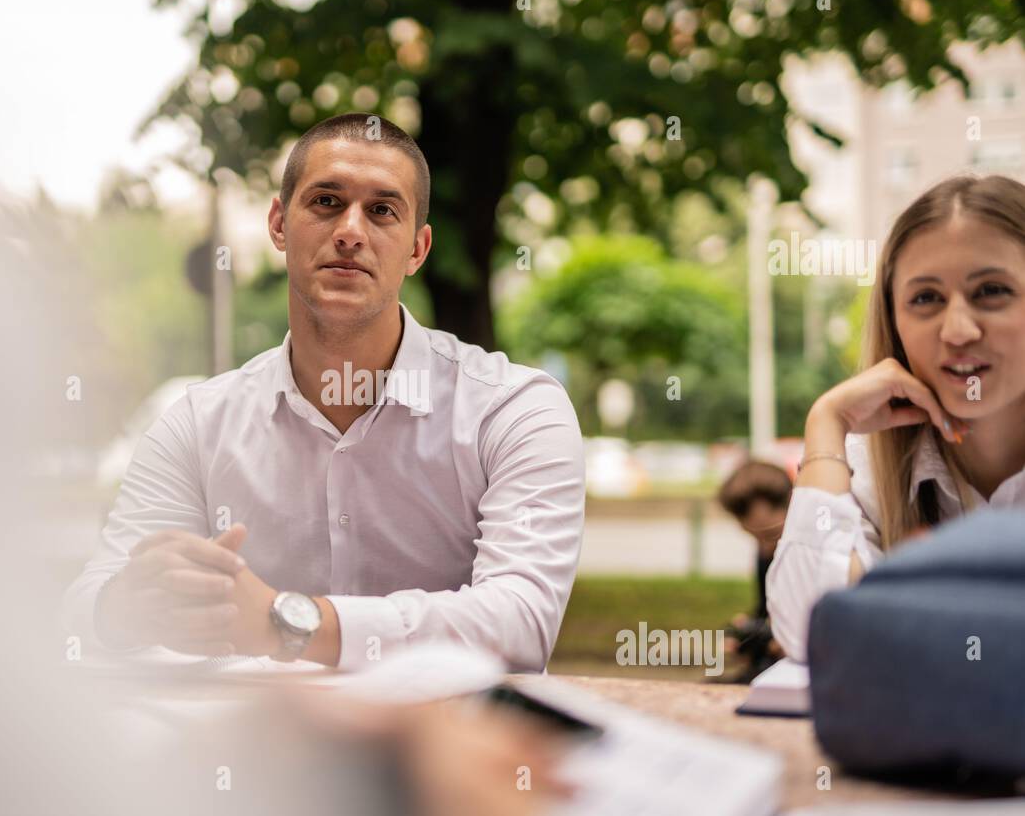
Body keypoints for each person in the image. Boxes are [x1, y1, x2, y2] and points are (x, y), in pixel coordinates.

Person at [64, 112, 586, 672]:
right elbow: (81, 614)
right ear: (279, 224)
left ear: (417, 249)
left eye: (383, 210)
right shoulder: (195, 423)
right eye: (326, 202)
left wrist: (285, 622)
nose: (351, 231)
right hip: (258, 749)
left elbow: (521, 622)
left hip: (448, 750)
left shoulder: (514, 410)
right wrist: (127, 606)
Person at [768, 174, 1025, 662]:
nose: (958, 330)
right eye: (926, 298)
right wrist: (826, 423)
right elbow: (812, 633)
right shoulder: (867, 466)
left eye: (991, 290)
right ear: (895, 320)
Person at [716, 460, 790, 680]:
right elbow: (765, 611)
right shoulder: (764, 551)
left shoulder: (817, 554)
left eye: (770, 535)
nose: (766, 548)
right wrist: (746, 635)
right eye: (754, 537)